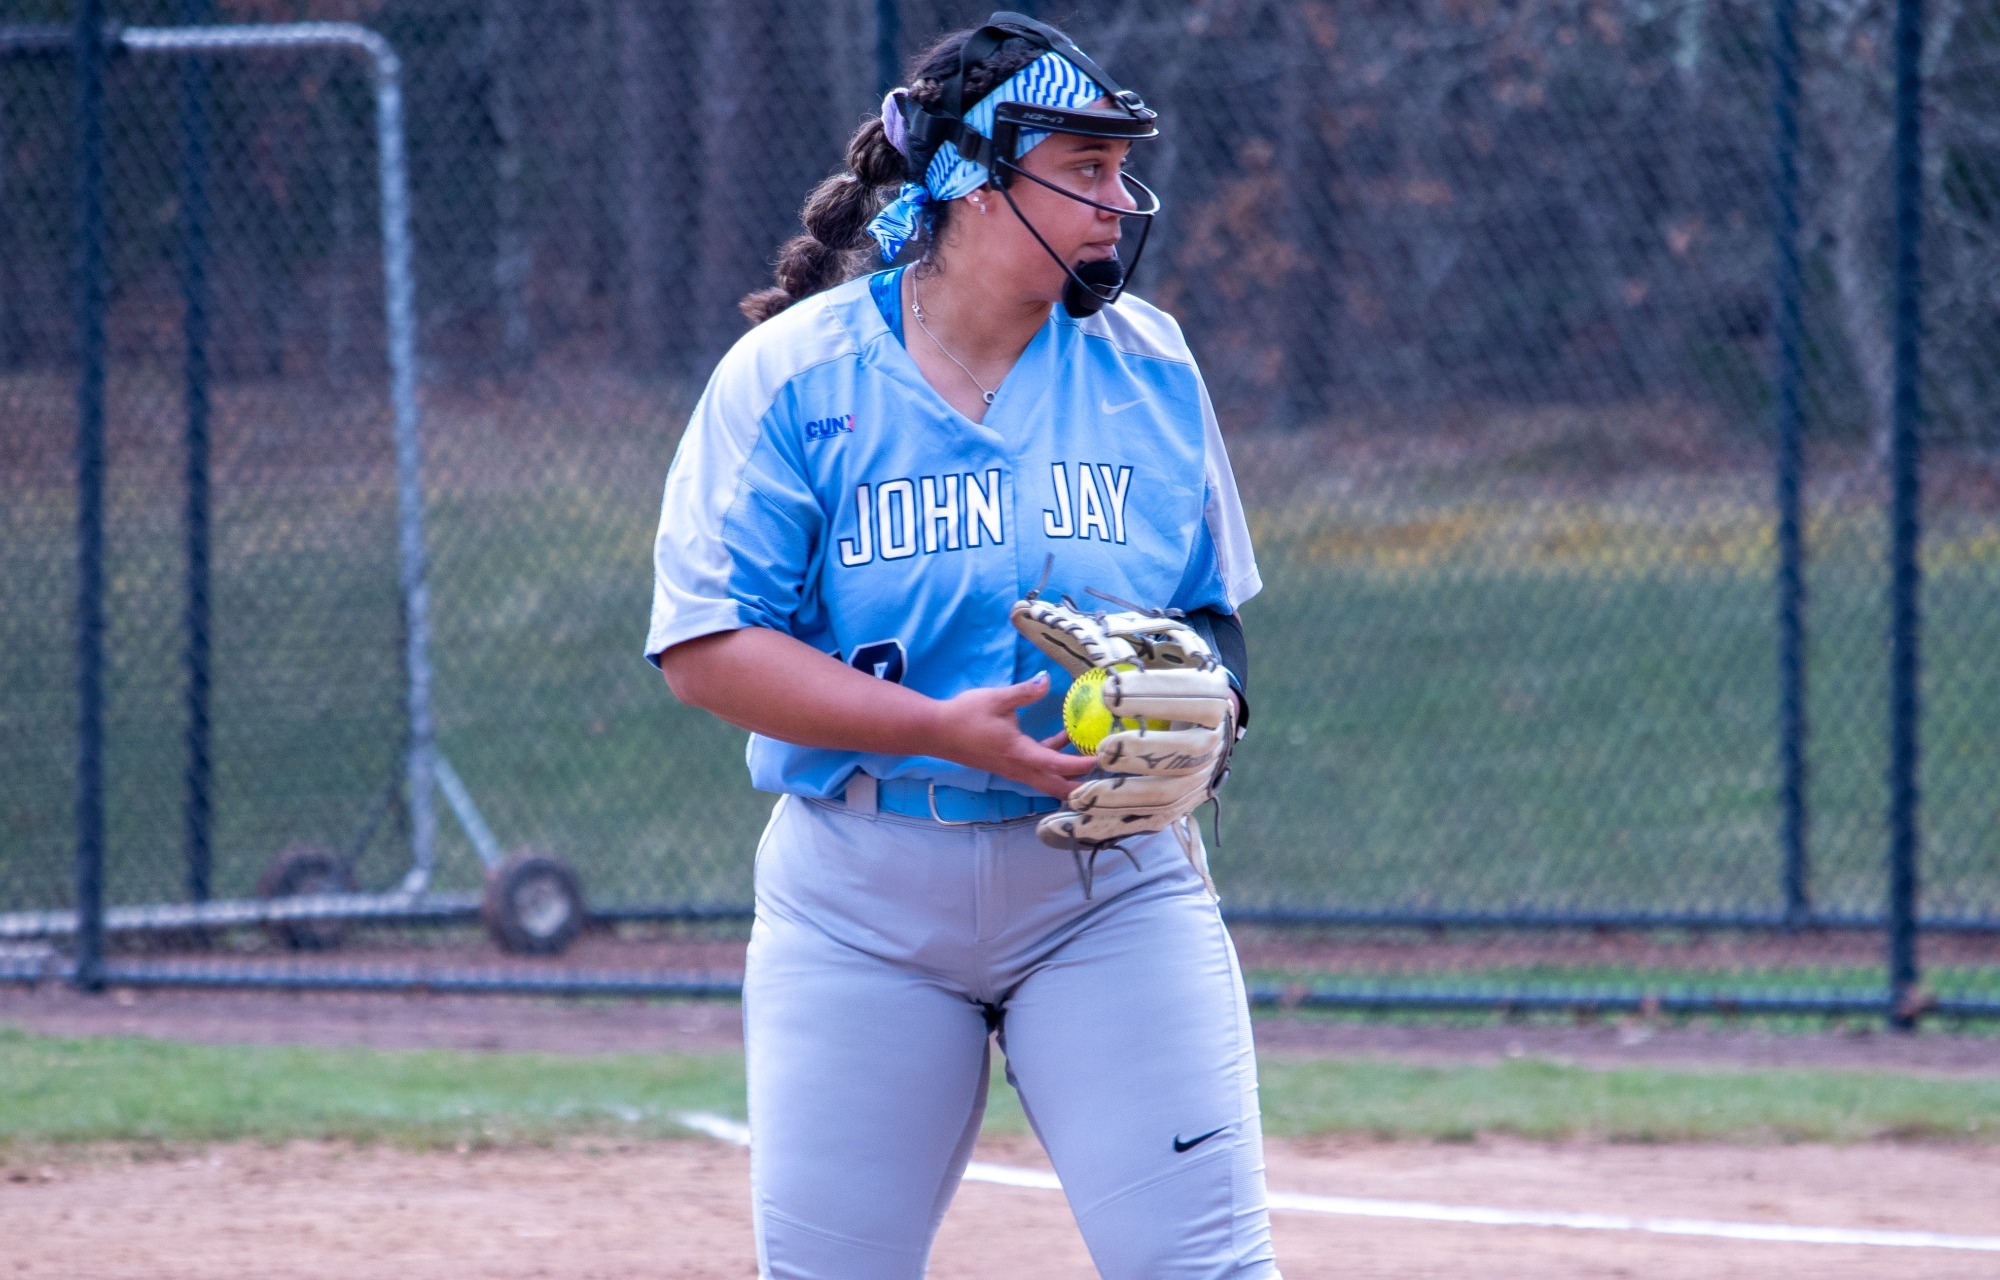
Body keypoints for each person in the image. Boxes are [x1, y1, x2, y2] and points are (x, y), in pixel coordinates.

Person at [646, 13, 1279, 1277]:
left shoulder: (1148, 364)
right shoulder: (793, 377)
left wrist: (1211, 719)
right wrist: (934, 728)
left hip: (1111, 887)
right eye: (1082, 169)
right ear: (971, 179)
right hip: (861, 897)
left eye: (1120, 170)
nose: (1117, 203)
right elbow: (706, 645)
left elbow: (1211, 613)